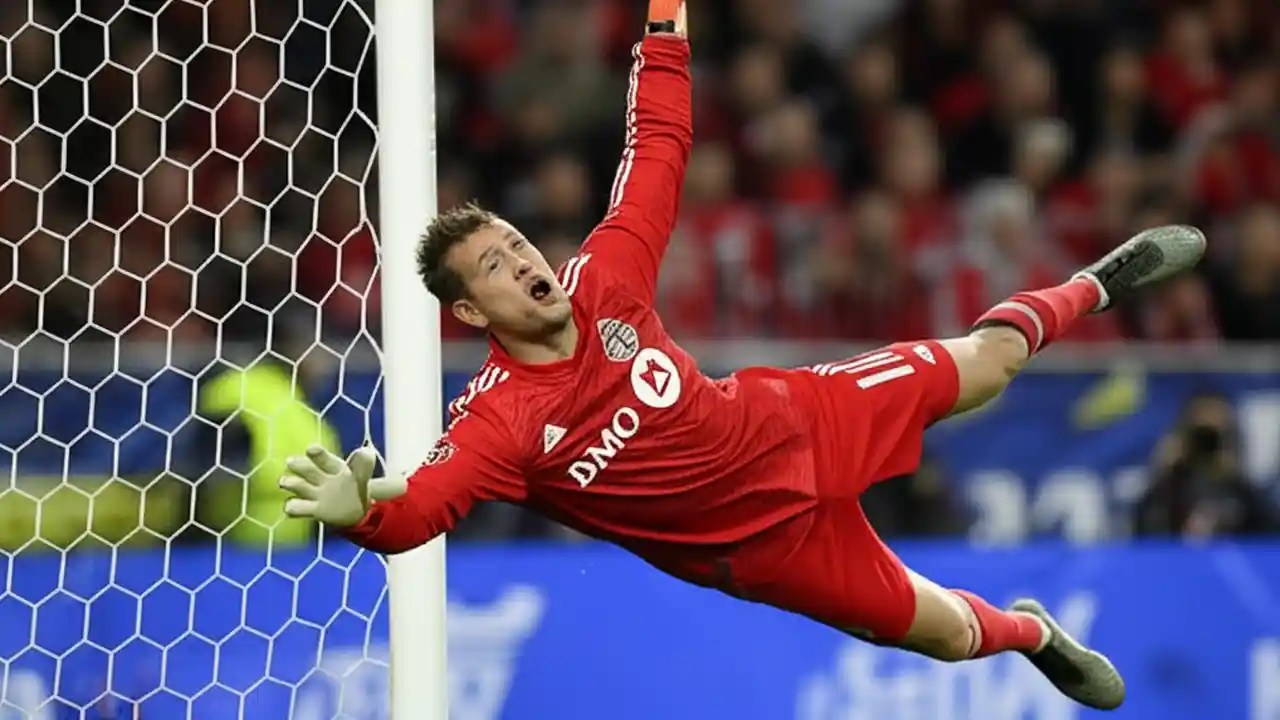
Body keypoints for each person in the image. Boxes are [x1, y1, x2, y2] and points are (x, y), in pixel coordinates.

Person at [278, 2, 1205, 711]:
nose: (525, 263)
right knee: (951, 638)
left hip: (795, 420)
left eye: (519, 245)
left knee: (990, 365)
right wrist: (364, 515)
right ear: (472, 310)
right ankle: (1031, 633)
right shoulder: (499, 422)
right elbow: (422, 512)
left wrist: (665, 22)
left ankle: (1092, 284)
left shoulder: (605, 276)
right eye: (496, 267)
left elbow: (657, 147)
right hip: (764, 551)